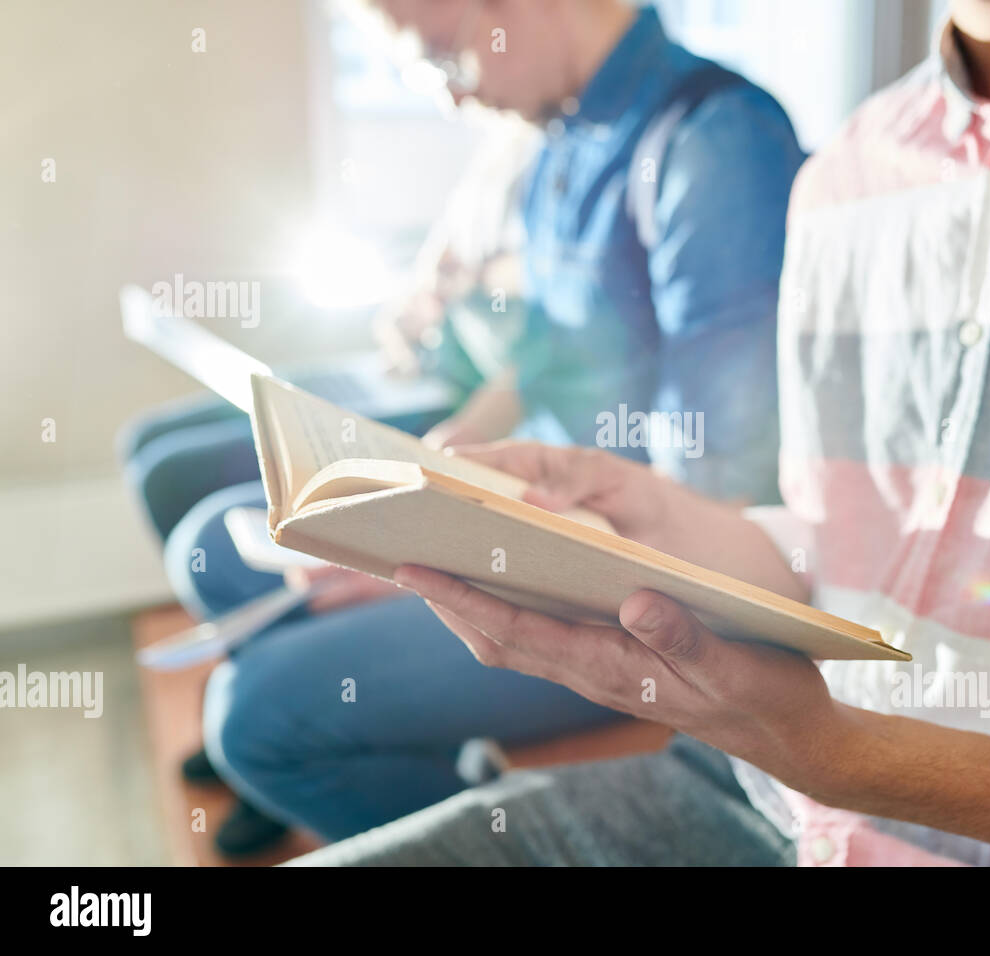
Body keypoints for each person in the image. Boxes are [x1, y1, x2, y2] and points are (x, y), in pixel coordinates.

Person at [291, 0, 990, 866]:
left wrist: (842, 751)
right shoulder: (852, 174)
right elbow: (843, 550)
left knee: (271, 721)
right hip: (776, 803)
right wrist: (655, 521)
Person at [141, 0, 805, 855]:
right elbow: (547, 359)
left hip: (626, 586)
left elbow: (716, 488)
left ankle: (467, 798)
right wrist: (434, 469)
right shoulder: (562, 139)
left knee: (253, 719)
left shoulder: (712, 143)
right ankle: (388, 752)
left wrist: (449, 550)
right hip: (533, 512)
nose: (451, 97)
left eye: (448, 57)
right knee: (222, 552)